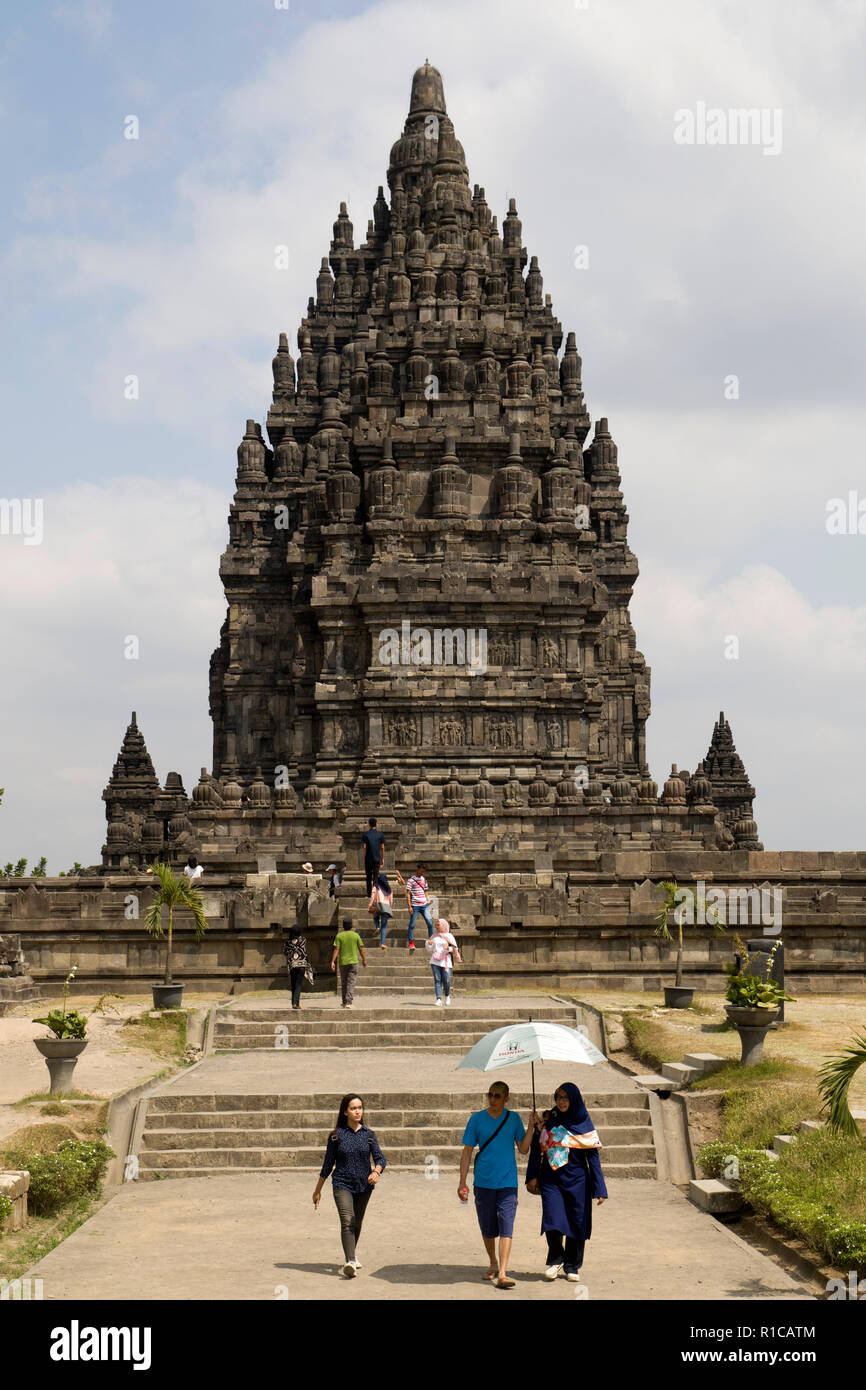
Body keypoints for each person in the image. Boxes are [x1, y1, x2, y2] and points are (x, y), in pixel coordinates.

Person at [525, 1081, 608, 1283]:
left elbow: (593, 1158)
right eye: (558, 1098)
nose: (561, 1102)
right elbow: (538, 1148)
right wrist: (532, 1175)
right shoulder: (549, 1120)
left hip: (578, 1180)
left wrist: (600, 1188)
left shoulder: (584, 1123)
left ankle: (572, 1265)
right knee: (552, 1219)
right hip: (551, 1179)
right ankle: (556, 1259)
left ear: (574, 1100)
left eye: (565, 1098)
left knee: (576, 1222)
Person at [458, 1079, 533, 1289]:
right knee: (488, 1226)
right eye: (490, 1094)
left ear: (506, 1099)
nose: (492, 1099)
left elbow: (524, 1149)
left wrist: (532, 1128)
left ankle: (502, 1272)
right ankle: (493, 1261)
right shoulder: (476, 1119)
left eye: (497, 1096)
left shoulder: (513, 1118)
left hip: (508, 1182)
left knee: (507, 1225)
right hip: (483, 1181)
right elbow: (467, 1152)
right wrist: (462, 1181)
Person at [312, 1094, 386, 1278]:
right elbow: (327, 1165)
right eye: (353, 1108)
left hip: (364, 1185)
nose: (357, 1111)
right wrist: (317, 1190)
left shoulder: (368, 1135)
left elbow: (380, 1158)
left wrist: (376, 1172)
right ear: (345, 1111)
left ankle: (352, 1254)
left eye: (360, 1107)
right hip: (341, 1183)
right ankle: (350, 1261)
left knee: (357, 1223)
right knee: (348, 1220)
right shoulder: (336, 1136)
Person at [330, 917, 366, 1008]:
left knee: (344, 982)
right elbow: (361, 949)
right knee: (351, 982)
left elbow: (336, 949)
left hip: (343, 962)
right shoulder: (356, 935)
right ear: (351, 925)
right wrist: (364, 959)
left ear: (343, 926)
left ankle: (344, 1001)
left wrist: (332, 961)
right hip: (353, 962)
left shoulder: (339, 936)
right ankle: (349, 1002)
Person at [425, 917, 461, 1005]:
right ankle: (439, 999)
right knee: (437, 980)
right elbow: (430, 949)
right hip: (435, 961)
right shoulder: (434, 936)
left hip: (445, 961)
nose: (437, 926)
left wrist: (448, 948)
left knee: (446, 980)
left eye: (438, 925)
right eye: (436, 925)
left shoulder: (449, 936)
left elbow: (455, 948)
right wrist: (429, 944)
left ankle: (447, 996)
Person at [405, 862, 434, 949]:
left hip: (424, 904)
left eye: (423, 872)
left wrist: (428, 899)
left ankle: (431, 941)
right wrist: (409, 906)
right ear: (418, 869)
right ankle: (411, 942)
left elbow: (425, 891)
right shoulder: (411, 880)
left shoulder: (424, 879)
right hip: (415, 905)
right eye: (421, 871)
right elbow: (408, 894)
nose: (422, 873)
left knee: (430, 923)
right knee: (412, 924)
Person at [282, 925, 312, 1009]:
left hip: (292, 965)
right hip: (301, 964)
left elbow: (285, 952)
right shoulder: (303, 940)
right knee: (298, 985)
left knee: (293, 984)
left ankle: (293, 1003)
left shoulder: (288, 942)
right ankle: (296, 1003)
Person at [368, 872, 394, 949]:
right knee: (384, 926)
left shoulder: (376, 886)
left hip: (377, 905)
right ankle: (382, 943)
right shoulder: (389, 888)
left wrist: (370, 905)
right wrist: (389, 907)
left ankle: (377, 926)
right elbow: (391, 900)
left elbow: (372, 896)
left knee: (375, 917)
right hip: (386, 908)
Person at [361, 818, 385, 896]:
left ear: (369, 824)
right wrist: (382, 858)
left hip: (368, 858)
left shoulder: (365, 834)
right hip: (377, 858)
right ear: (376, 824)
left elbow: (364, 847)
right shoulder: (380, 834)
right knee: (375, 877)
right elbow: (382, 847)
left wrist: (364, 858)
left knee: (368, 877)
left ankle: (369, 894)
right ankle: (375, 894)